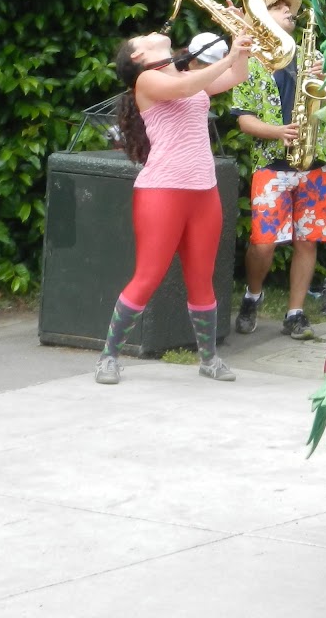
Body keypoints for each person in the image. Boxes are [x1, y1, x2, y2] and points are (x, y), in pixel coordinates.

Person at [96, 24, 253, 384]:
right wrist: (228, 55)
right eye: (144, 37)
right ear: (138, 56)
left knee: (201, 280)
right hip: (162, 190)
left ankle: (209, 360)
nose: (155, 31)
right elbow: (185, 87)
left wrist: (241, 47)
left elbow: (236, 76)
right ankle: (109, 356)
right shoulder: (147, 81)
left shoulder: (183, 73)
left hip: (203, 190)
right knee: (148, 277)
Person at [232, 0, 326, 341]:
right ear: (263, 20)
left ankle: (295, 314)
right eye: (278, 9)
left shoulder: (313, 58)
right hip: (273, 164)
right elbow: (244, 120)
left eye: (290, 10)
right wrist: (278, 132)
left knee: (308, 241)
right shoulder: (250, 62)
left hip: (314, 162)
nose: (289, 13)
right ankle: (253, 295)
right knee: (263, 243)